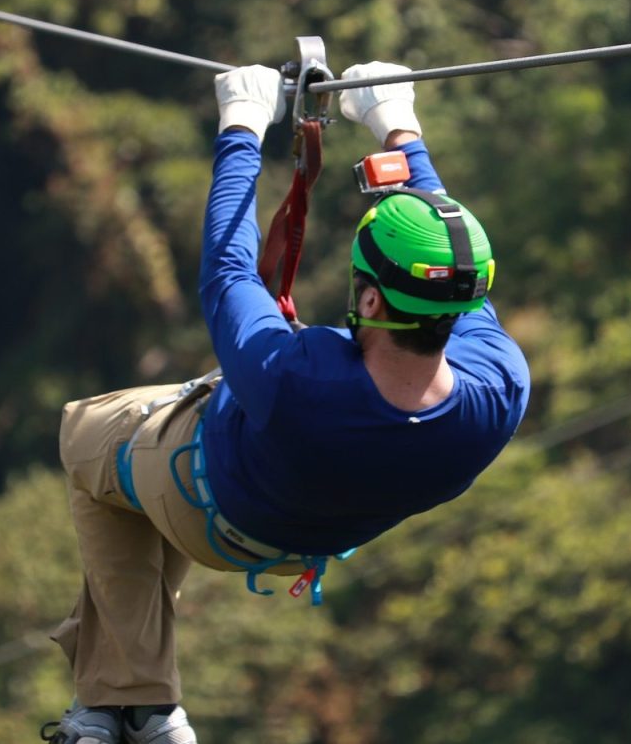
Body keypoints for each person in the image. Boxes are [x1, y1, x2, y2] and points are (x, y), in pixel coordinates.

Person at [42, 62, 530, 744]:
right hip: (308, 541)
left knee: (86, 434)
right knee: (141, 462)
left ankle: (136, 699)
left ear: (368, 299)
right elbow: (454, 269)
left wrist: (241, 128)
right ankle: (121, 710)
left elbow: (228, 270)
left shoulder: (294, 376)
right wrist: (398, 129)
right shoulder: (499, 388)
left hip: (209, 505)